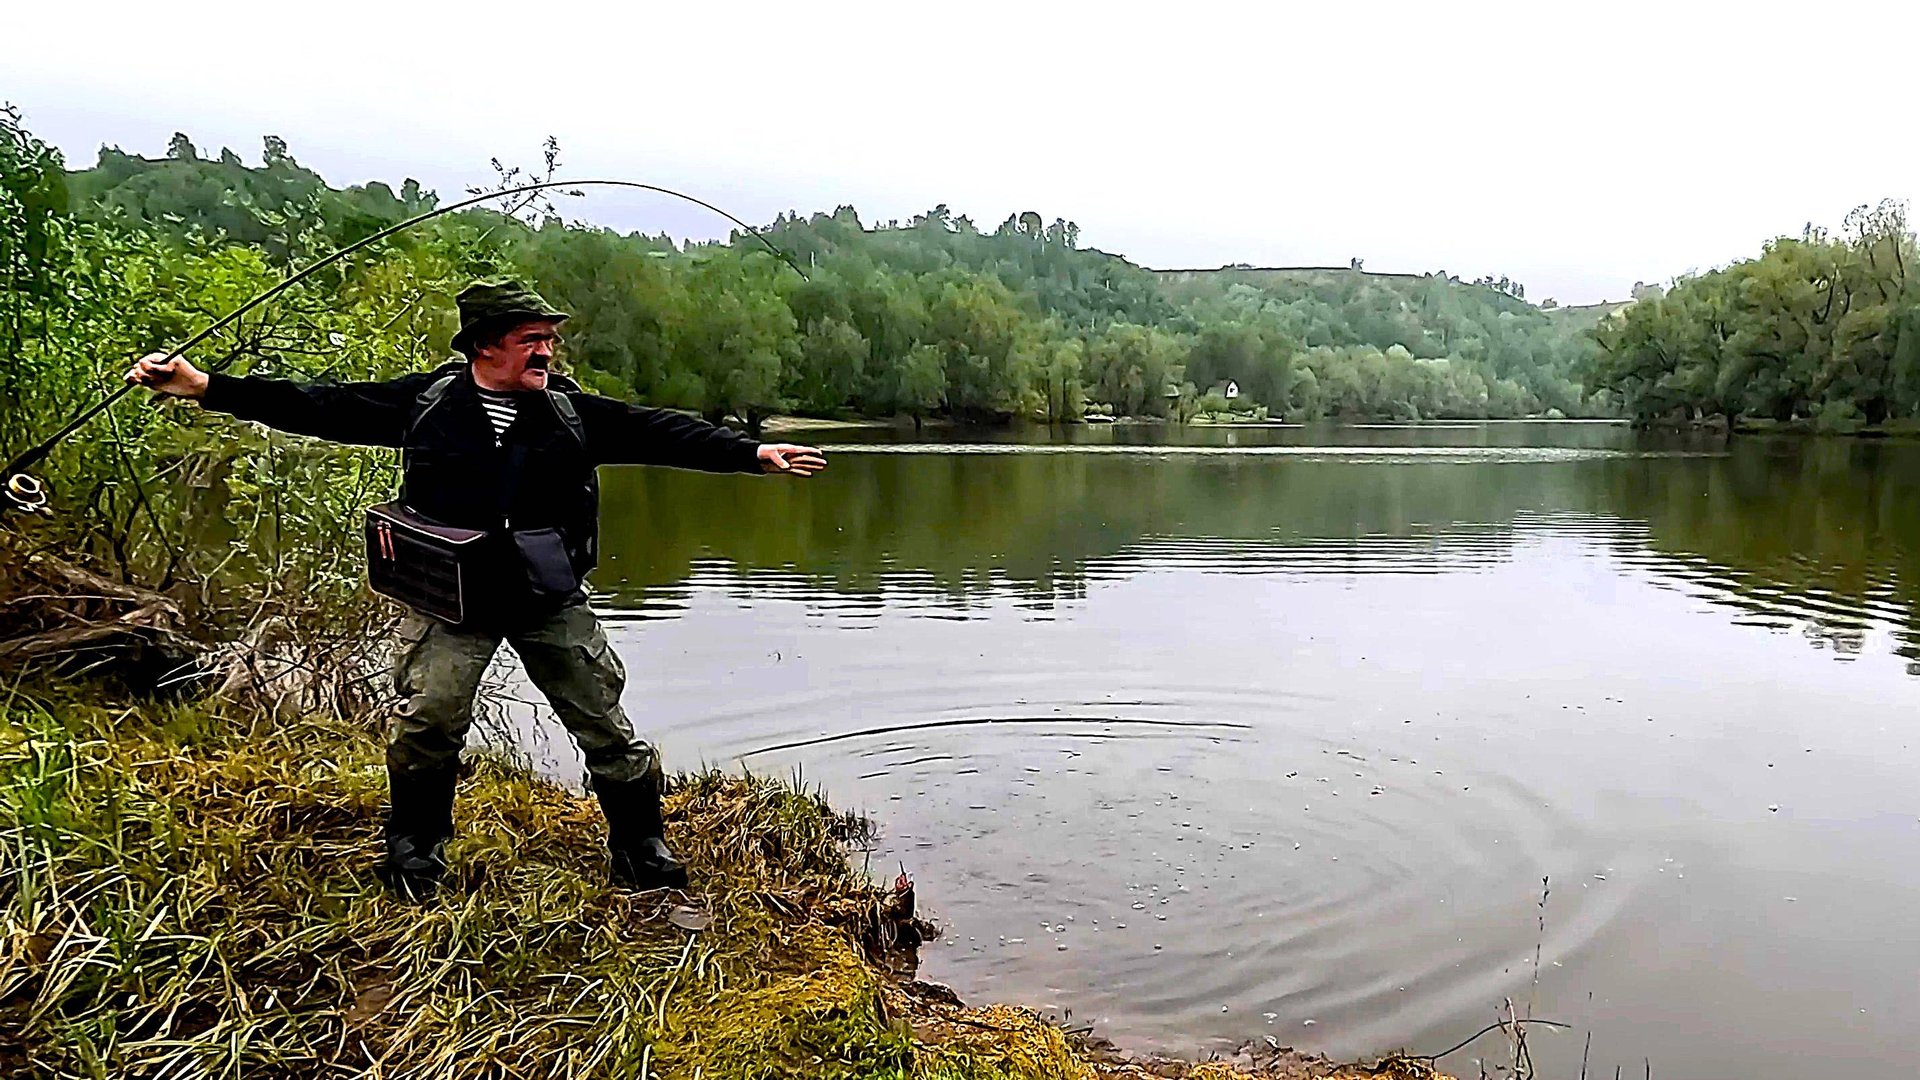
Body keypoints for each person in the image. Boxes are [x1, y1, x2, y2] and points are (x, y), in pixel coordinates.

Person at [127, 280, 827, 899]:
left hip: (547, 597)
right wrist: (206, 388)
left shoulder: (571, 413)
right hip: (448, 600)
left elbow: (659, 431)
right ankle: (415, 848)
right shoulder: (425, 404)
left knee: (606, 726)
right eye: (533, 341)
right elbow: (321, 407)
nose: (547, 354)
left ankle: (640, 847)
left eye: (550, 341)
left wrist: (748, 454)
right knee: (429, 718)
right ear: (487, 347)